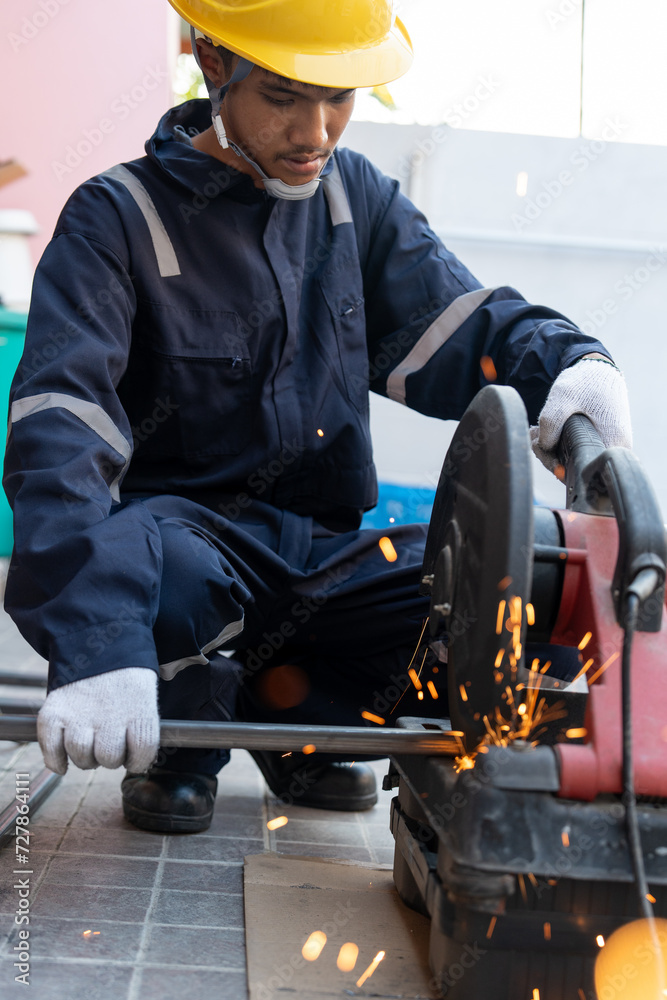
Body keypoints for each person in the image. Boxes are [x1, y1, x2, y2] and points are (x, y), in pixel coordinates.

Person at [3, 0, 631, 833]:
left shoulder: (352, 201)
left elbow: (458, 326)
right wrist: (99, 645)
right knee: (154, 580)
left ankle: (296, 732)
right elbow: (61, 427)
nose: (318, 130)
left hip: (325, 555)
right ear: (213, 61)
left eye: (339, 96)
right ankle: (179, 744)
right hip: (188, 547)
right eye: (286, 96)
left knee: (500, 600)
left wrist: (566, 366)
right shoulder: (116, 218)